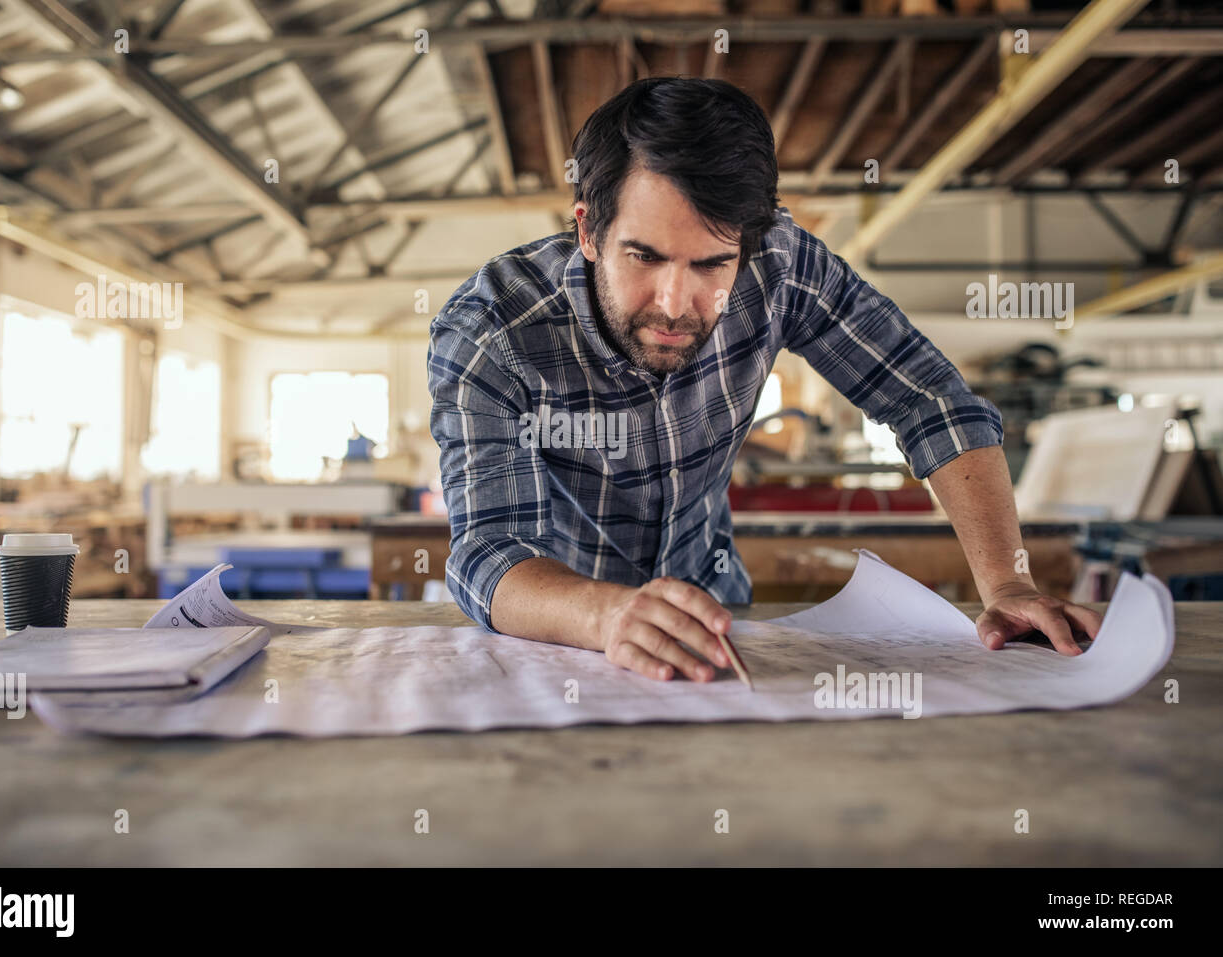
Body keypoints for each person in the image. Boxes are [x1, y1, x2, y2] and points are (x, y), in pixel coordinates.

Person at [427, 77, 1102, 683]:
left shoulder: (777, 266)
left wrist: (1007, 585)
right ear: (589, 231)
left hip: (721, 627)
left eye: (711, 265)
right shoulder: (491, 331)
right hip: (553, 640)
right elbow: (487, 552)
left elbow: (931, 400)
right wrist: (607, 616)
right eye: (645, 255)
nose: (673, 302)